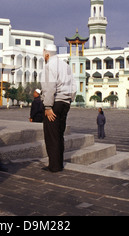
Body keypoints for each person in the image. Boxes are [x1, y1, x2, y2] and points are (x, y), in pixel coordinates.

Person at [41, 44, 76, 172]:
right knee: (59, 134)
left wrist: (48, 106)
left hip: (54, 103)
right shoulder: (66, 65)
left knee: (52, 135)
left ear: (46, 54)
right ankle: (59, 163)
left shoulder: (49, 65)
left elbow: (50, 86)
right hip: (65, 103)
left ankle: (54, 166)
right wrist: (69, 100)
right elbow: (73, 85)